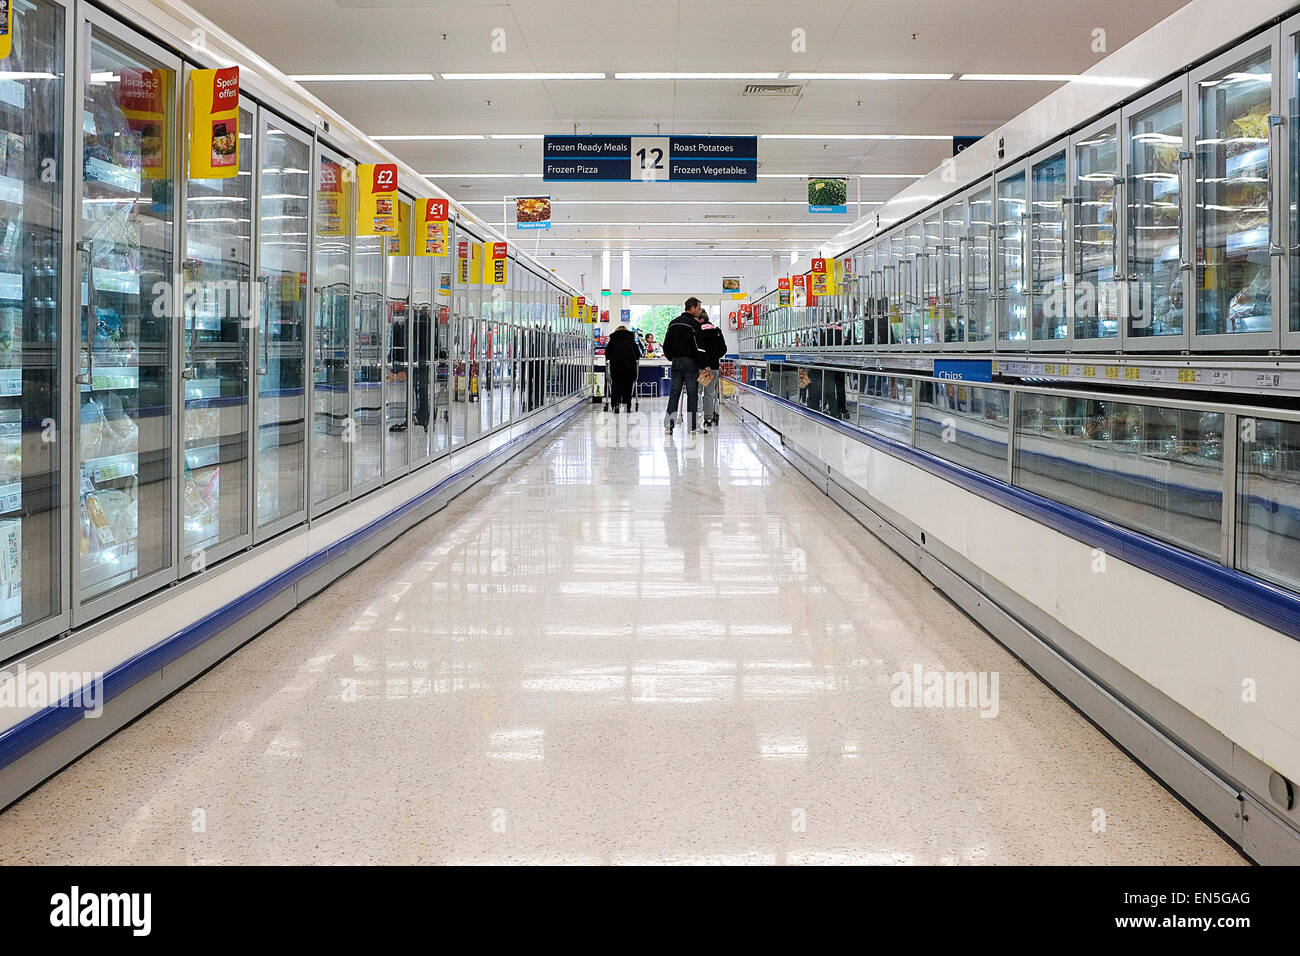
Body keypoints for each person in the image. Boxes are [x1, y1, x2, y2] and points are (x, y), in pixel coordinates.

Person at [662, 297, 709, 435]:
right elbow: (699, 347)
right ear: (692, 308)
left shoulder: (673, 323)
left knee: (674, 393)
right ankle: (693, 426)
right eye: (699, 308)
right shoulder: (694, 325)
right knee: (692, 393)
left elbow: (666, 345)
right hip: (690, 363)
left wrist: (672, 357)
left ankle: (669, 426)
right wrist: (705, 364)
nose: (700, 311)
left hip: (676, 362)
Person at [698, 310, 727, 428]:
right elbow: (723, 349)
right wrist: (714, 357)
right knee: (710, 393)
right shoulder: (717, 332)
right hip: (714, 367)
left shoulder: (698, 332)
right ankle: (709, 418)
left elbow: (696, 349)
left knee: (697, 392)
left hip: (700, 367)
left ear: (701, 320)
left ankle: (697, 414)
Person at [604, 323, 639, 414]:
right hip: (630, 367)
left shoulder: (613, 339)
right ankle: (627, 406)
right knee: (628, 386)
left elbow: (607, 353)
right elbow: (638, 354)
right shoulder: (631, 339)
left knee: (616, 385)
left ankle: (616, 404)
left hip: (616, 367)